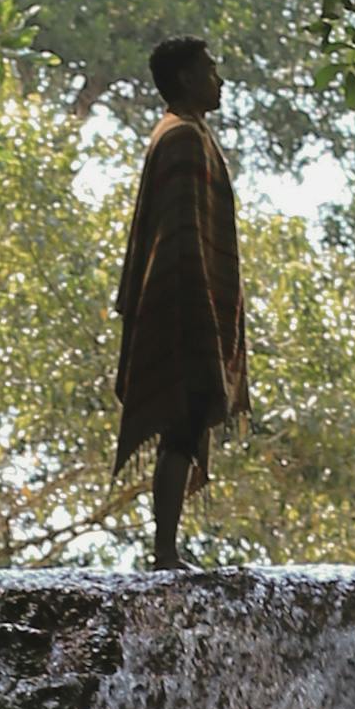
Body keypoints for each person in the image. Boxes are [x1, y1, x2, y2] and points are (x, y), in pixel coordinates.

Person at [112, 33, 248, 569]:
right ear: (188, 78)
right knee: (181, 421)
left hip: (188, 303)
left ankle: (166, 547)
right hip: (181, 305)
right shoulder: (181, 139)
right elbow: (178, 241)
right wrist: (197, 312)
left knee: (184, 424)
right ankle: (164, 550)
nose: (220, 80)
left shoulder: (190, 134)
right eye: (211, 70)